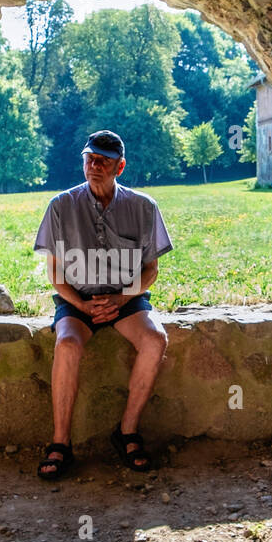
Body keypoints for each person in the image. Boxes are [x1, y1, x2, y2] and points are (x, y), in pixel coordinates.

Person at [32, 130, 173, 479]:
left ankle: (127, 432)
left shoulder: (143, 207)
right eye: (89, 159)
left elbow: (151, 269)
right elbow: (54, 273)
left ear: (120, 167)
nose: (94, 166)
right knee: (66, 343)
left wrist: (123, 298)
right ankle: (61, 442)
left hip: (126, 298)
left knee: (155, 340)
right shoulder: (61, 206)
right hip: (77, 299)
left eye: (104, 161)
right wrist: (80, 305)